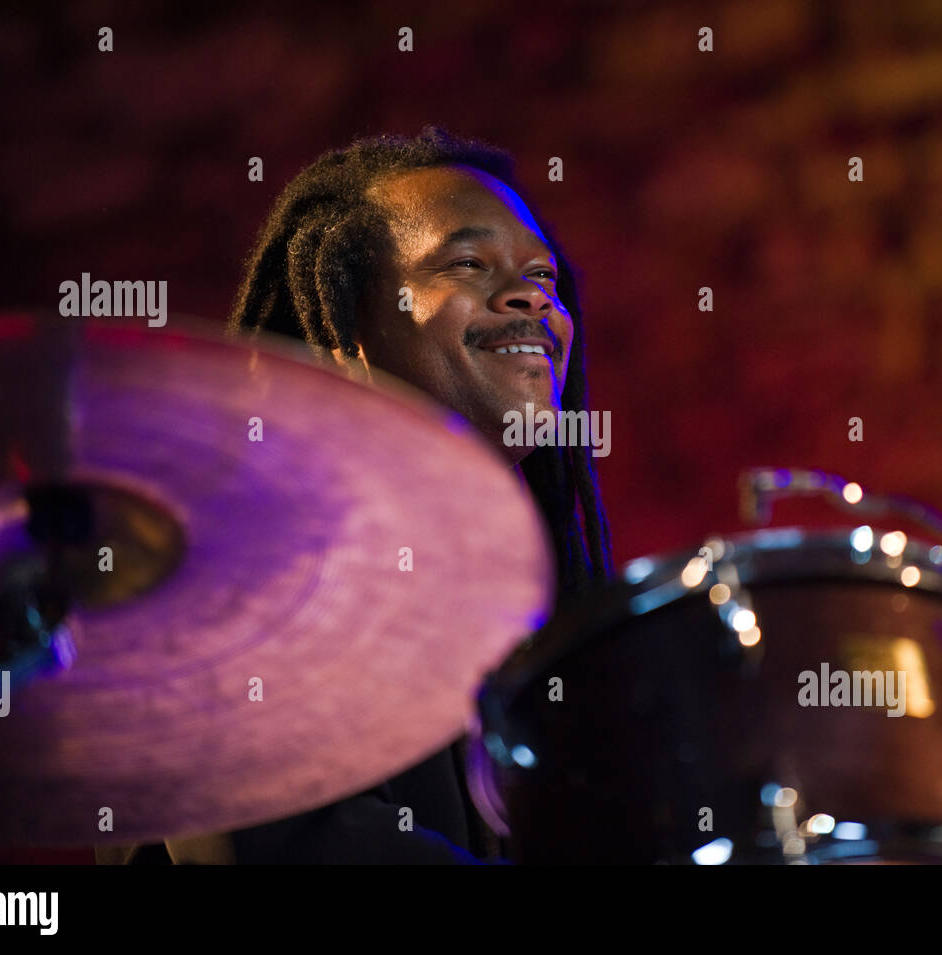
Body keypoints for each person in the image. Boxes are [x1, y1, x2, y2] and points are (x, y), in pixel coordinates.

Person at [96, 125, 612, 864]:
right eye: (468, 263)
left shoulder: (510, 609)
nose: (532, 297)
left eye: (544, 277)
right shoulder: (241, 557)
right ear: (347, 334)